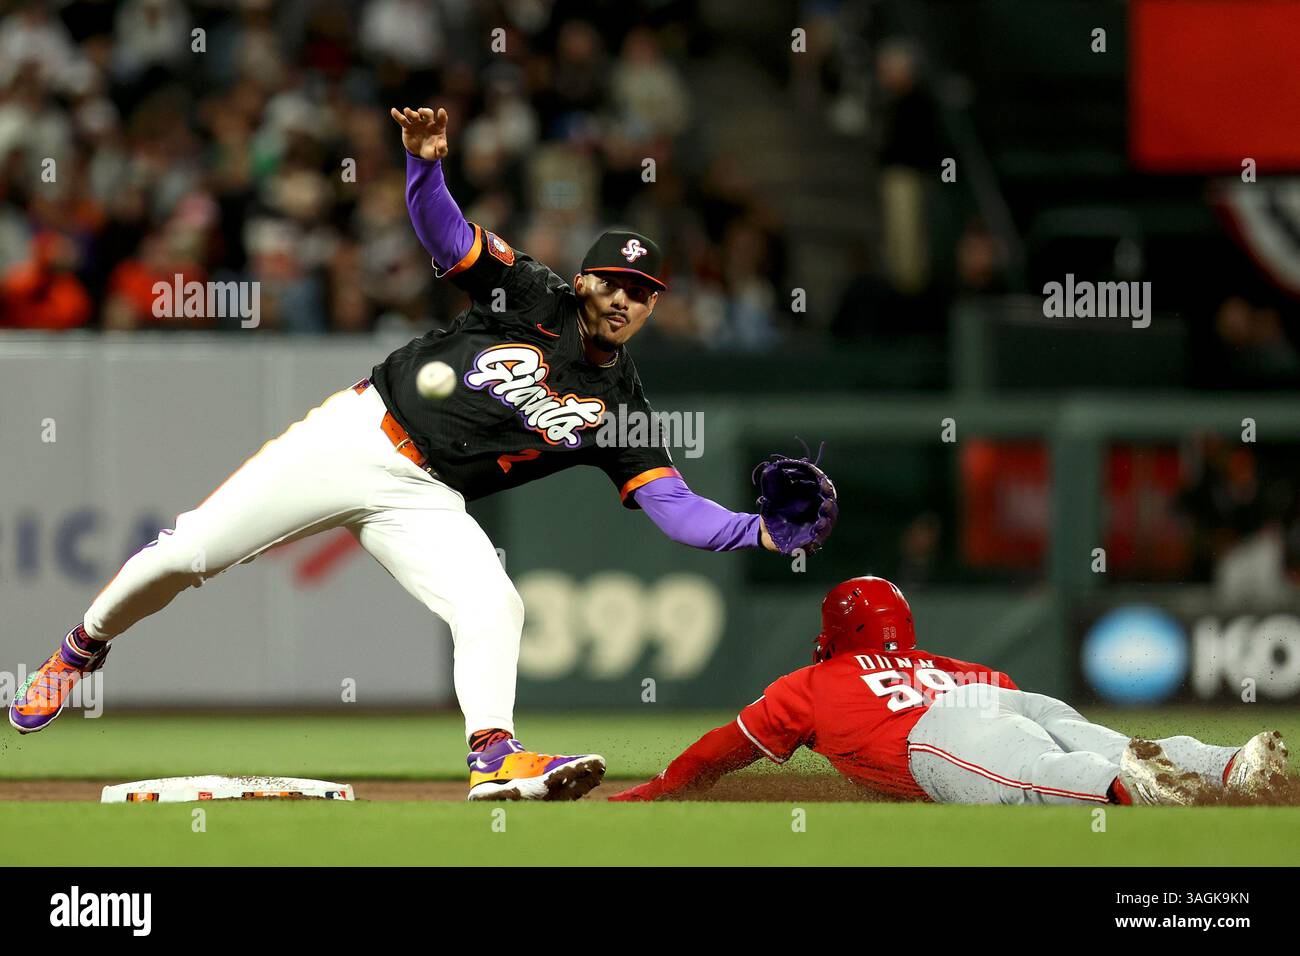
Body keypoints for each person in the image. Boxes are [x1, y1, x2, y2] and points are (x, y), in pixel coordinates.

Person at [9, 106, 835, 803]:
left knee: (496, 605)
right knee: (190, 552)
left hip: (428, 498)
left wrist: (755, 533)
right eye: (615, 280)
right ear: (586, 282)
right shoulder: (534, 292)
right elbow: (446, 238)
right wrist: (423, 165)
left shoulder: (622, 406)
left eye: (643, 292)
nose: (626, 298)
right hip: (359, 436)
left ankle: (493, 758)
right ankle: (80, 647)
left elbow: (675, 509)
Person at [612, 576, 1288, 805]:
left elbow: (721, 750)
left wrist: (657, 788)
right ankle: (1230, 763)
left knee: (1029, 779)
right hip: (998, 698)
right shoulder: (935, 659)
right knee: (1108, 738)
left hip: (934, 735)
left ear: (833, 632)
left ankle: (1125, 786)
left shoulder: (813, 681)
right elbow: (1010, 696)